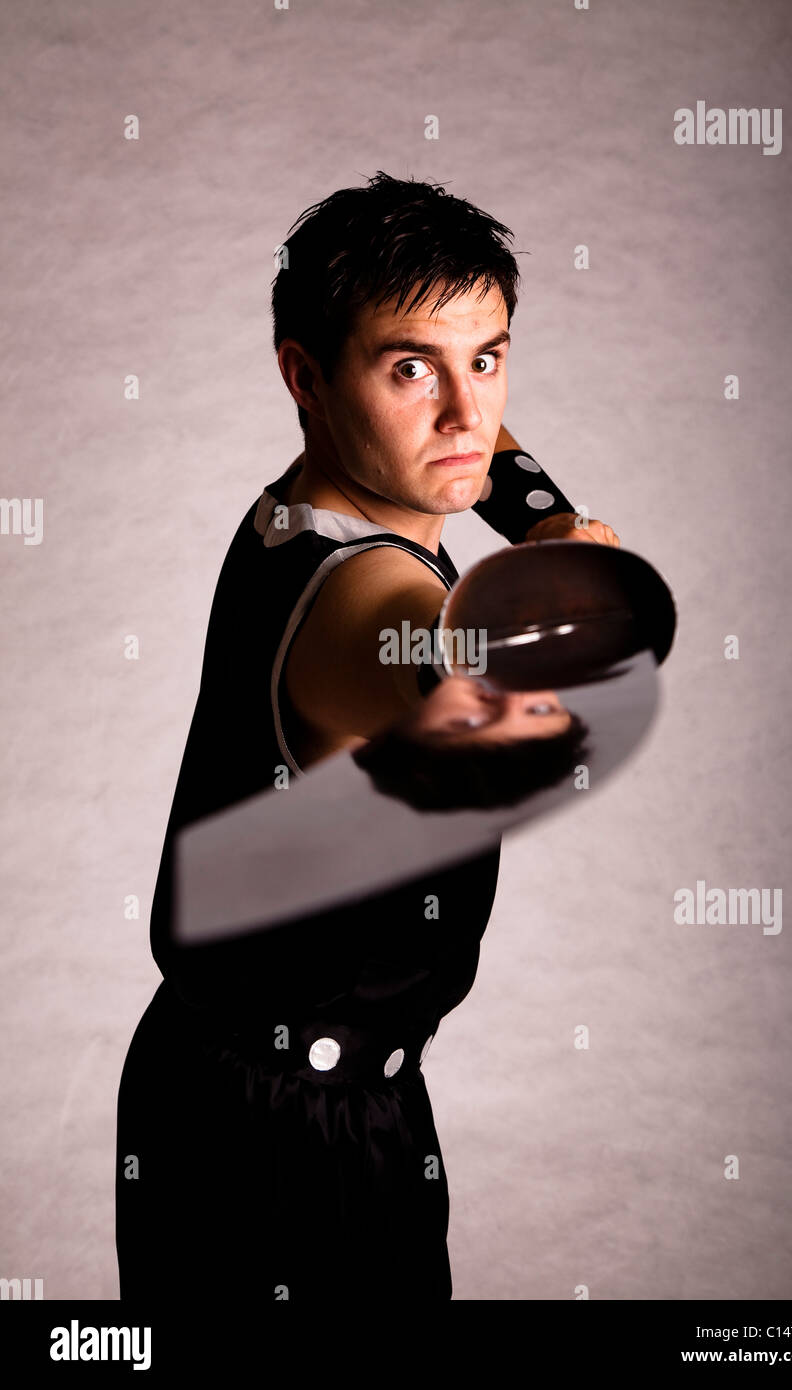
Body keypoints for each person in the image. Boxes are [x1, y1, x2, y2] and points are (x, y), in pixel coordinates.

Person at [115, 171, 620, 1303]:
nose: (464, 413)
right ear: (303, 375)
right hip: (283, 1141)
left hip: (260, 1081)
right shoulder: (366, 603)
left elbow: (474, 441)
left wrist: (538, 513)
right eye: (409, 369)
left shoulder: (313, 499)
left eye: (486, 357)